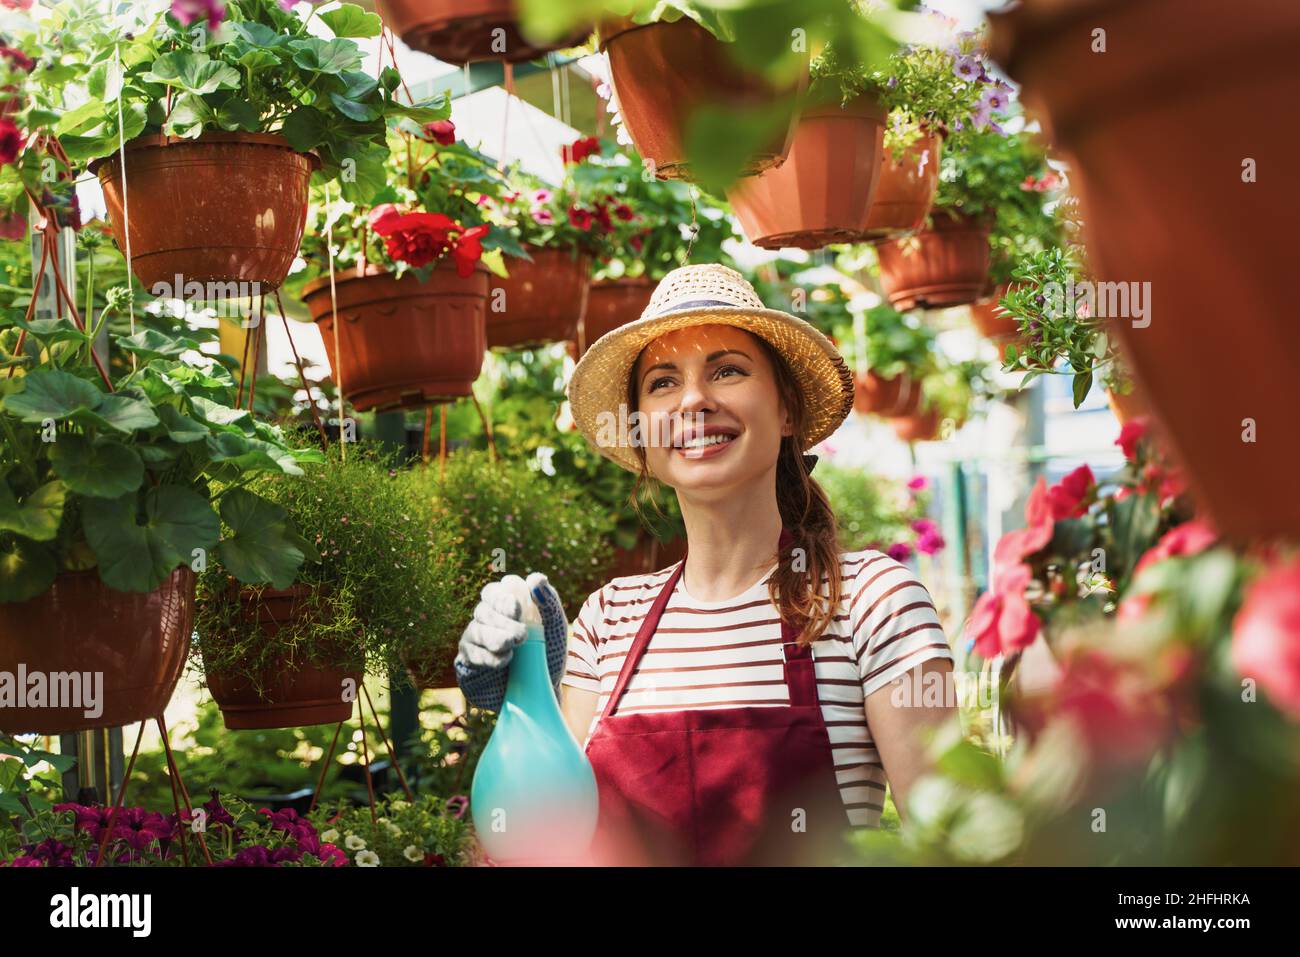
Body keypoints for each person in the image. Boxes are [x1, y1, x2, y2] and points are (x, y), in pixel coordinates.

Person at [456, 263, 957, 866]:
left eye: (727, 370)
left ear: (788, 412)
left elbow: (957, 843)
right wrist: (521, 698)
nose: (695, 399)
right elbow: (539, 850)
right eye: (663, 382)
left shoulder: (871, 600)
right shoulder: (606, 619)